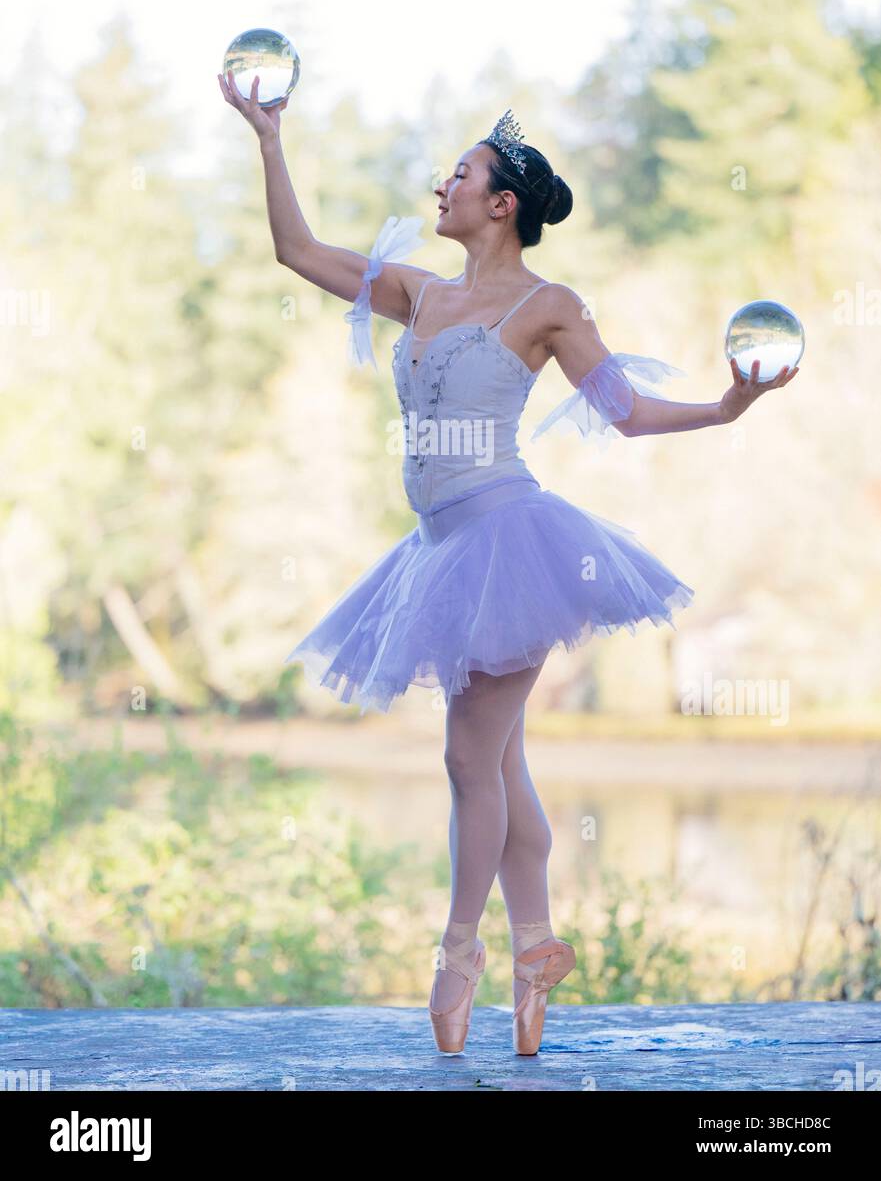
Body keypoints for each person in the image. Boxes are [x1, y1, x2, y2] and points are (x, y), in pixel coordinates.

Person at [218, 74, 799, 1055]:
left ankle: (458, 958)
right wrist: (269, 138)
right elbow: (296, 250)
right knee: (498, 763)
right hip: (436, 545)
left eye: (461, 174)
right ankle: (534, 950)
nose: (439, 186)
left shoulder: (548, 301)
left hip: (509, 539)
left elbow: (621, 408)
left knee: (463, 755)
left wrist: (724, 405)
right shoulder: (419, 291)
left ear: (502, 206)